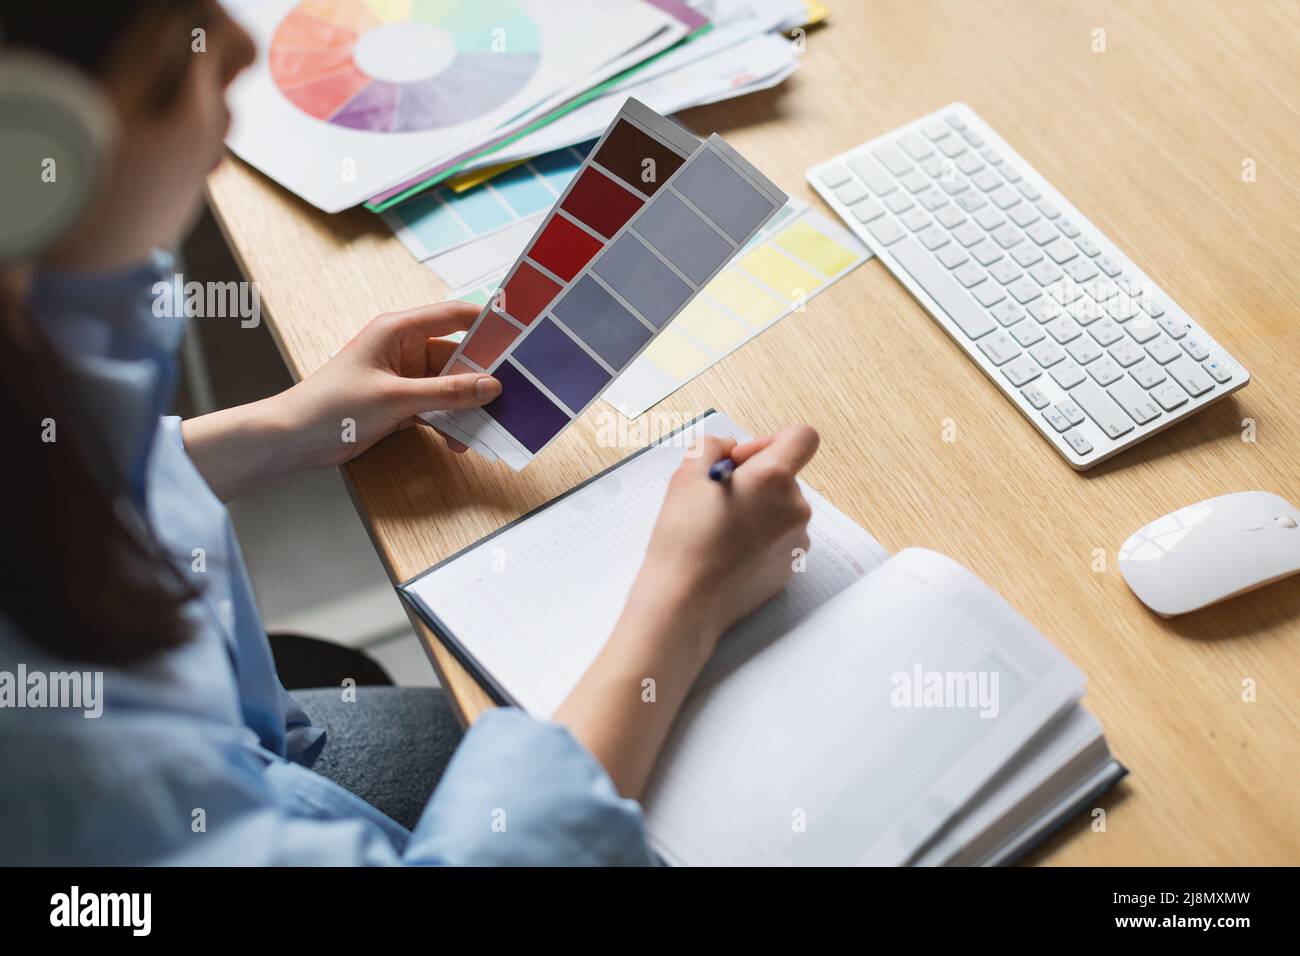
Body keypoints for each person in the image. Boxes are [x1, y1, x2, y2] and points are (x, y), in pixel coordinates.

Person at [0, 1, 818, 865]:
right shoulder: (76, 770)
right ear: (36, 141)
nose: (239, 48)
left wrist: (285, 427)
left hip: (255, 758)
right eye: (177, 43)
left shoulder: (45, 324)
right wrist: (683, 600)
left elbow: (51, 475)